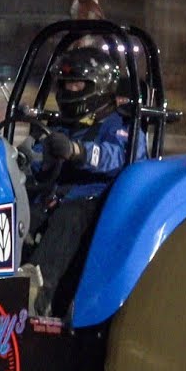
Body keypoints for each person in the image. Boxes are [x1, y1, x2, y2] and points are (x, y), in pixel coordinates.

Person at [21, 45, 146, 318]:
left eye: (77, 84)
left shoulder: (121, 125)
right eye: (65, 84)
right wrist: (29, 158)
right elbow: (40, 161)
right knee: (21, 213)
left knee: (68, 218)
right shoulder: (65, 125)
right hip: (55, 198)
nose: (69, 90)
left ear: (99, 87)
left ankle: (39, 296)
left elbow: (119, 157)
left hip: (98, 204)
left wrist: (79, 151)